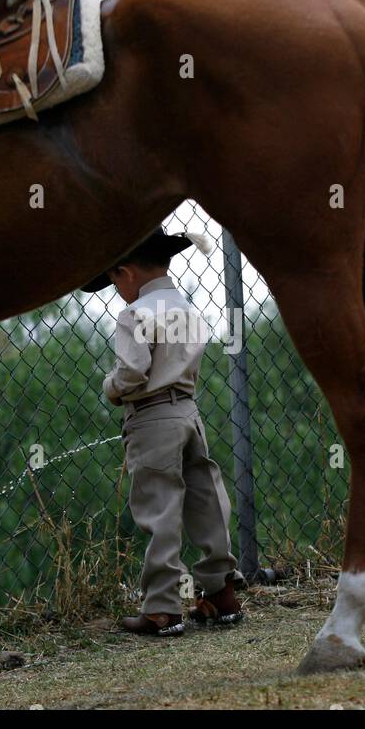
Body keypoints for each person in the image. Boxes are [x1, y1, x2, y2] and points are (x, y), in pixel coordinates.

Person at [82, 227, 246, 634]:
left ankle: (163, 608)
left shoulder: (134, 314)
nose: (117, 290)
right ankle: (220, 592)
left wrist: (111, 387)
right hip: (189, 414)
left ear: (126, 273)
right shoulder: (187, 309)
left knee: (160, 509)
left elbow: (133, 370)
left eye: (114, 281)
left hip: (151, 418)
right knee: (206, 498)